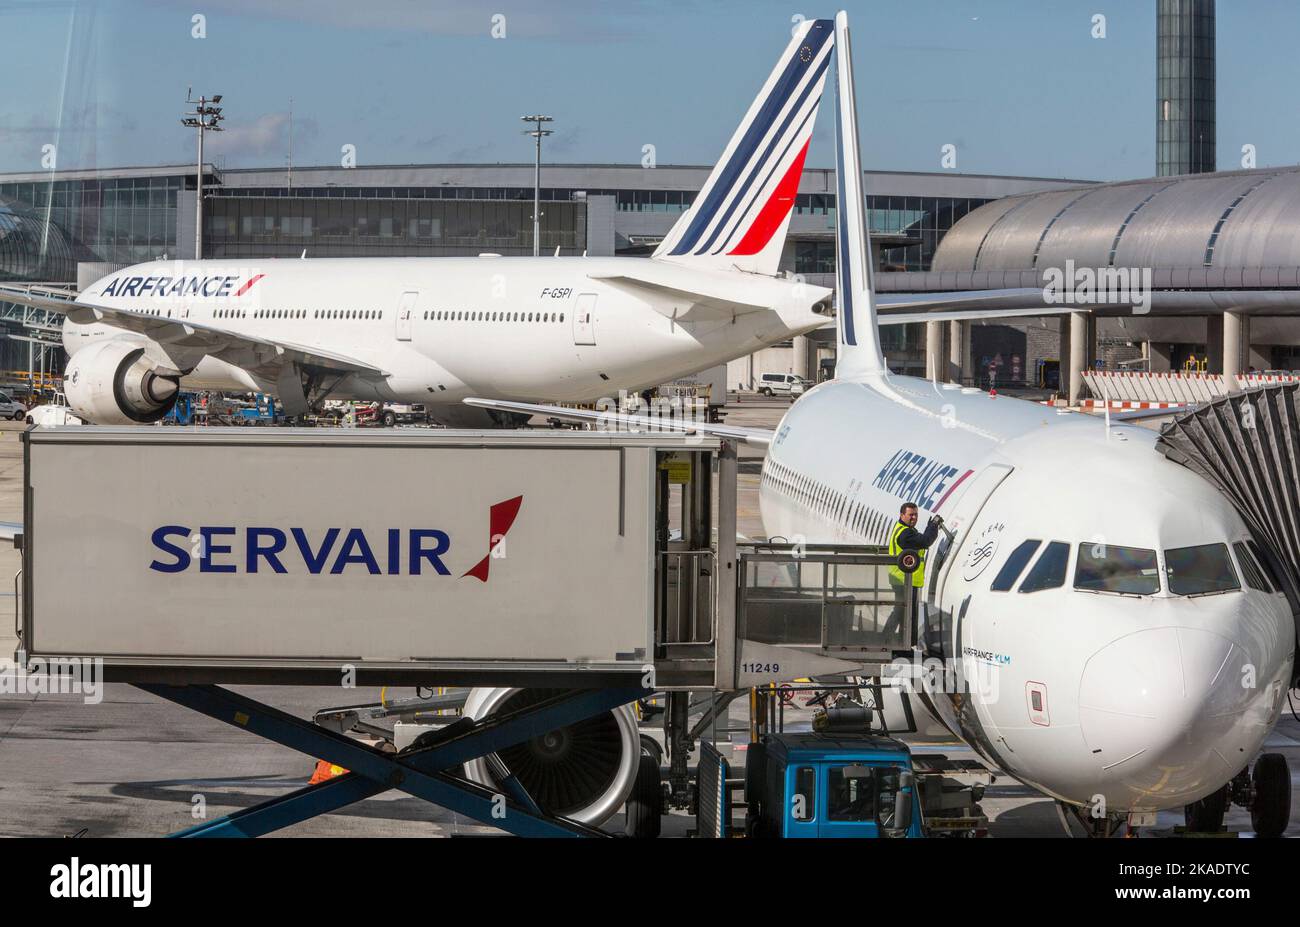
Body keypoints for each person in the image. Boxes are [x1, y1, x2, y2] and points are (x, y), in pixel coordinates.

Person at [884, 502, 943, 639]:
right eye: (911, 515)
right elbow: (925, 541)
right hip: (903, 580)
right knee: (904, 613)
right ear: (902, 515)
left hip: (903, 579)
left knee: (902, 612)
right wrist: (933, 526)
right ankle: (892, 641)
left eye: (916, 515)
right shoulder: (905, 534)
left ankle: (897, 641)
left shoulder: (903, 528)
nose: (914, 518)